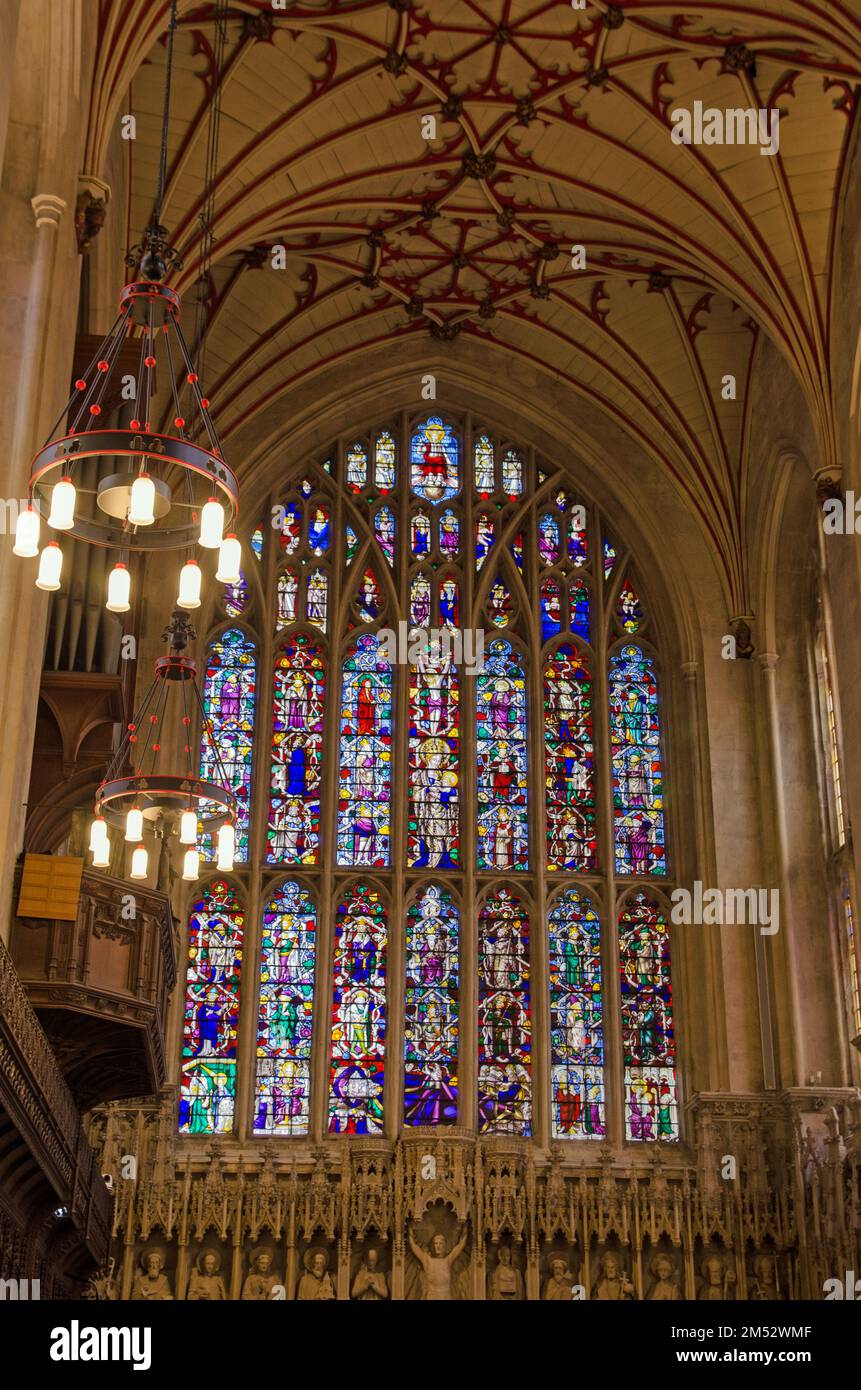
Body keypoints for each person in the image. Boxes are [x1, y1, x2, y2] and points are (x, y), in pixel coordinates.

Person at [408, 1224, 467, 1300]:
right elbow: (413, 1245)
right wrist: (409, 1226)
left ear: (445, 1245)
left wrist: (465, 1225)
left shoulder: (447, 1261)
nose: (438, 1246)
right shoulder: (427, 1261)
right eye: (436, 1243)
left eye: (440, 1243)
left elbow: (462, 1243)